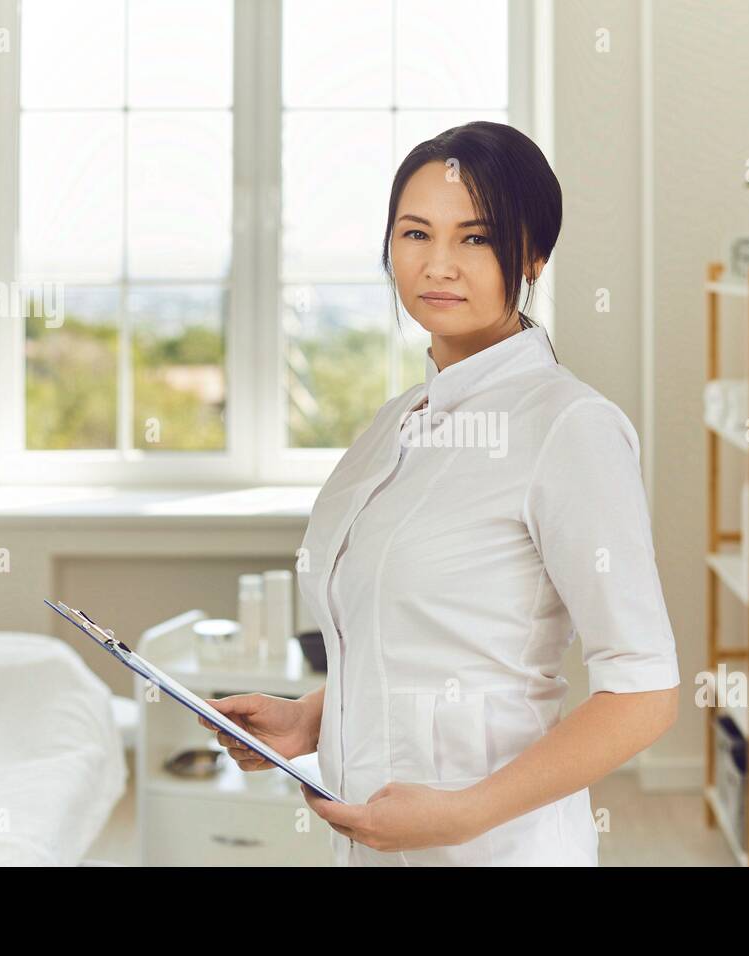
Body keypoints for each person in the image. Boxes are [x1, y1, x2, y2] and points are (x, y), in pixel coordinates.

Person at [202, 121, 679, 865]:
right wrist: (310, 720)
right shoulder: (395, 426)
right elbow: (418, 646)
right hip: (377, 842)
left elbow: (643, 692)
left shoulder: (570, 429)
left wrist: (464, 816)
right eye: (415, 233)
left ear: (533, 255)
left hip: (499, 850)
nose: (439, 265)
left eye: (477, 238)